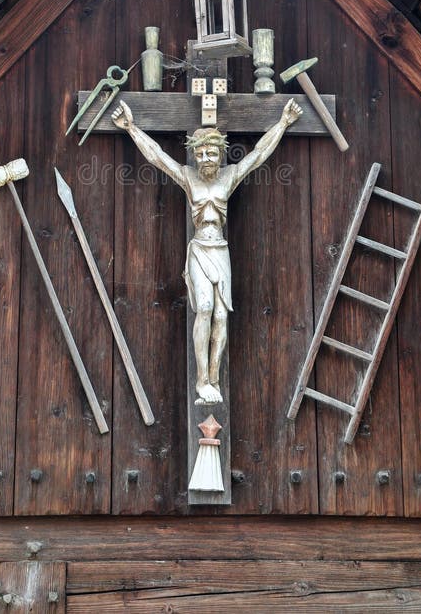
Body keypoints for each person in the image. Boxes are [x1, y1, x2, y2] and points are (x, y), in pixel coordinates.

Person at [111, 97, 302, 404]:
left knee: (221, 317)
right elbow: (158, 157)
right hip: (199, 249)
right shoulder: (189, 177)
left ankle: (214, 377)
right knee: (204, 308)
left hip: (220, 250)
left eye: (212, 152)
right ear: (195, 155)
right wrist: (131, 128)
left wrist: (283, 123)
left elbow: (258, 154)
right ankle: (202, 380)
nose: (206, 158)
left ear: (220, 154)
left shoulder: (230, 175)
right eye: (200, 154)